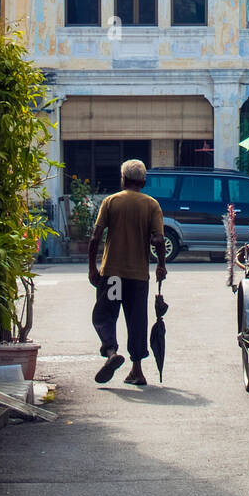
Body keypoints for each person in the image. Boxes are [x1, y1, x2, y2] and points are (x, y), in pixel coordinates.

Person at [88, 159, 167, 386]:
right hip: (138, 276)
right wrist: (161, 264)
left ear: (123, 179)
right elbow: (159, 240)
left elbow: (95, 237)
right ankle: (137, 370)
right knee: (136, 320)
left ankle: (112, 352)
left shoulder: (111, 201)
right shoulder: (151, 205)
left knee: (105, 314)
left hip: (113, 275)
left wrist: (92, 267)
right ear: (143, 181)